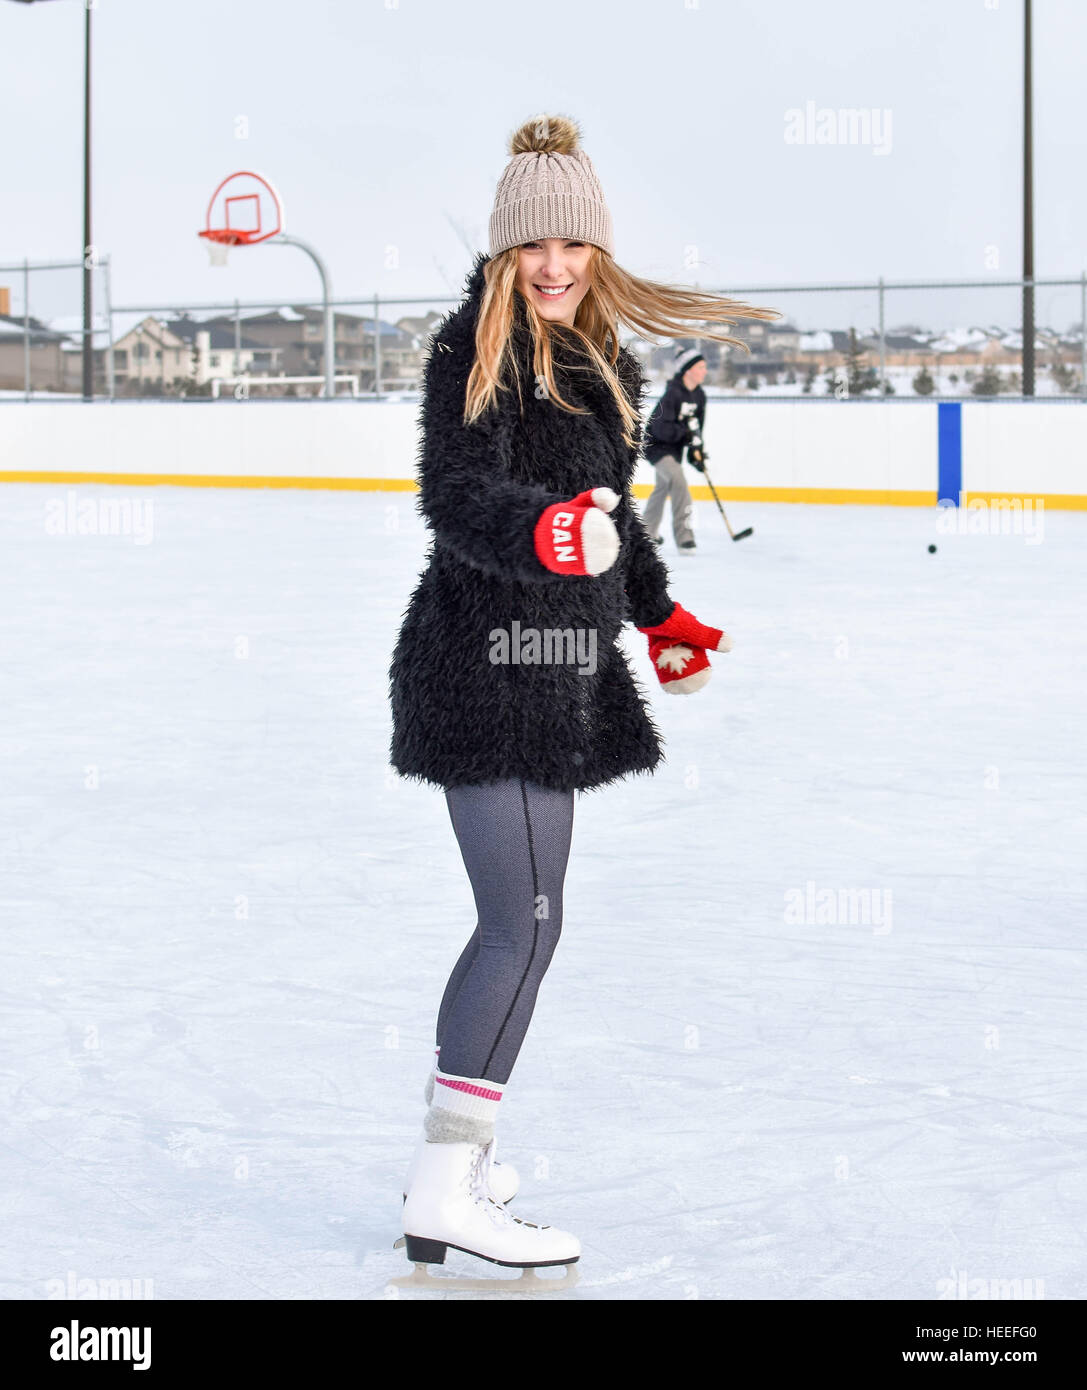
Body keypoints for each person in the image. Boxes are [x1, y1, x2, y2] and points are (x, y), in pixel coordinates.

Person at [387, 114, 776, 1275]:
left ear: (596, 252)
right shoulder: (476, 354)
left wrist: (656, 614)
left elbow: (608, 526)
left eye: (571, 243)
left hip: (557, 673)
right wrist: (542, 530)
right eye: (529, 246)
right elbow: (455, 499)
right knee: (527, 925)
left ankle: (452, 1158)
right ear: (503, 253)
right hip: (481, 668)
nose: (552, 265)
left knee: (528, 923)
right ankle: (448, 1180)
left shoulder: (605, 366)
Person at [642, 346, 711, 552]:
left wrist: (696, 453)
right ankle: (684, 537)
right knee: (678, 482)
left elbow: (696, 430)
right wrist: (685, 433)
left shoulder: (700, 397)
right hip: (656, 446)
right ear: (688, 370)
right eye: (701, 367)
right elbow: (661, 428)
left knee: (662, 487)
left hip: (675, 450)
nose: (705, 371)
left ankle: (646, 533)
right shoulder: (672, 394)